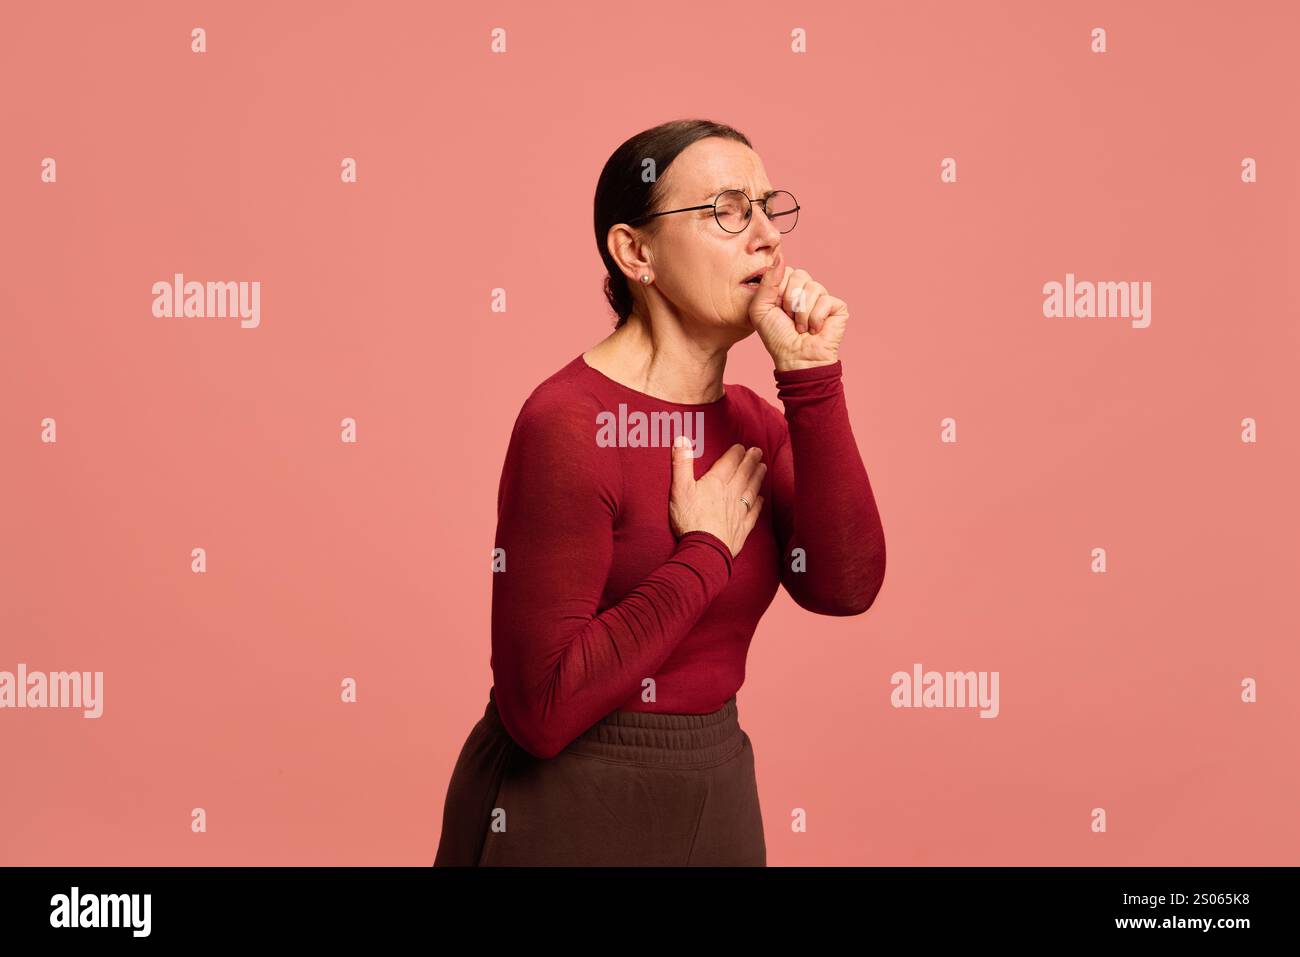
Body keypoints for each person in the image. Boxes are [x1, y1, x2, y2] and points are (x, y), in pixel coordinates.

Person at [434, 118, 886, 866]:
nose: (767, 237)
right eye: (726, 211)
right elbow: (540, 712)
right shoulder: (568, 424)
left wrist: (812, 379)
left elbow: (847, 586)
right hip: (567, 804)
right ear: (635, 252)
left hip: (717, 796)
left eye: (769, 208)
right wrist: (704, 553)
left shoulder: (754, 424)